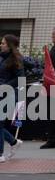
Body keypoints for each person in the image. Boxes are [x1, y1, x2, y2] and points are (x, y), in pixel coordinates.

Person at [0, 35, 22, 163]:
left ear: (9, 45)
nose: (1, 45)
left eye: (3, 43)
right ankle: (13, 142)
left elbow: (20, 79)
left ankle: (0, 154)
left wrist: (4, 86)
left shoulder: (16, 60)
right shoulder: (2, 58)